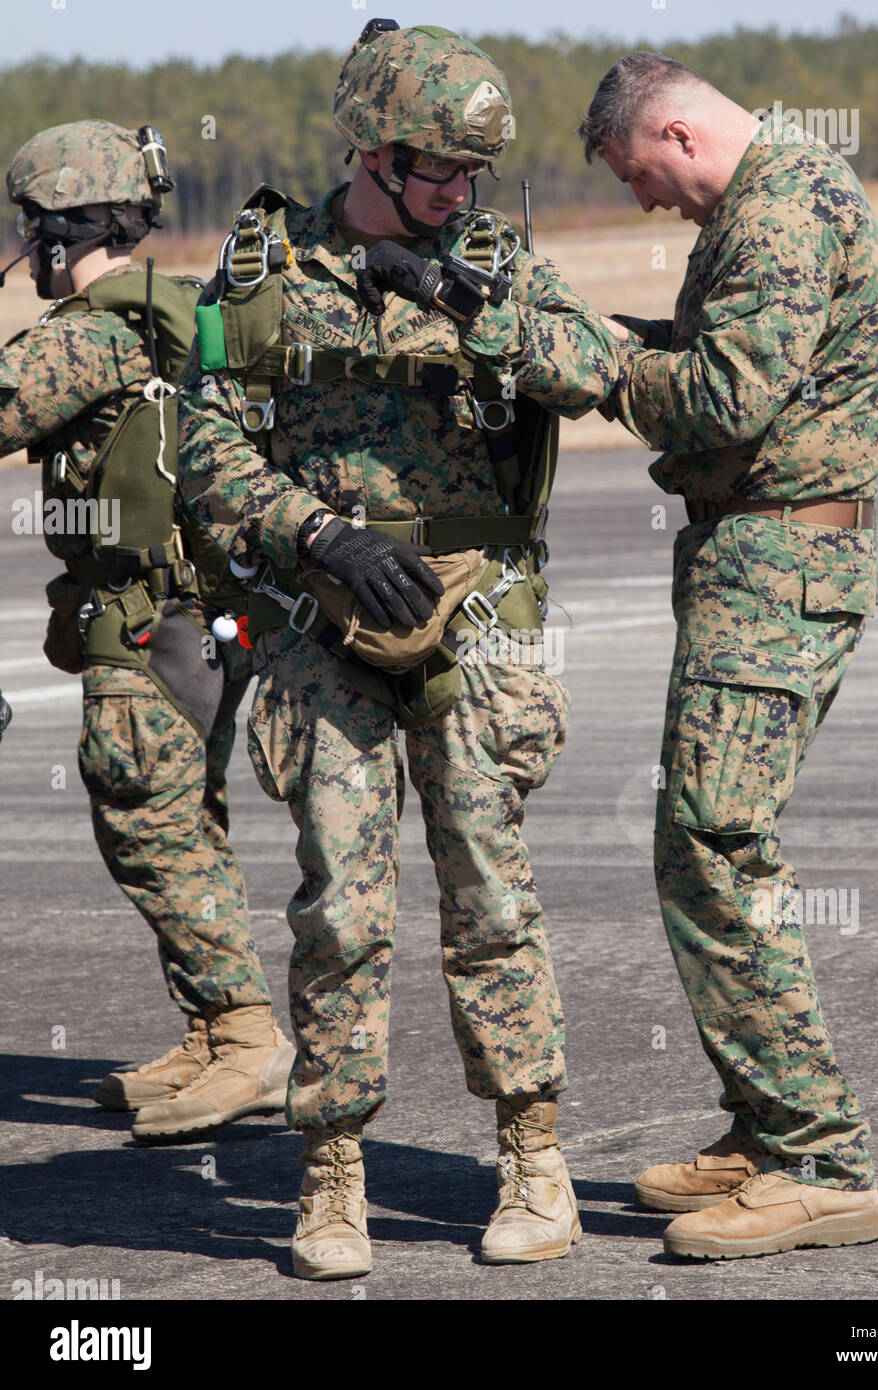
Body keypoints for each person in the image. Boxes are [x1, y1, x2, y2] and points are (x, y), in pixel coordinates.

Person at [176, 18, 618, 1279]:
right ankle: (331, 1173)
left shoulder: (492, 256)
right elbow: (204, 445)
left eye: (473, 175)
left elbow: (594, 370)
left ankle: (533, 1156)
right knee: (338, 911)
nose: (457, 195)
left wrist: (482, 314)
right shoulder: (263, 272)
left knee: (489, 894)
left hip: (473, 617)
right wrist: (311, 529)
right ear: (371, 152)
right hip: (327, 618)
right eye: (436, 172)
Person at [578, 53, 878, 1259]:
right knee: (699, 842)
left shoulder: (779, 207)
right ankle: (768, 1130)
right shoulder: (775, 200)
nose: (648, 205)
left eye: (641, 179)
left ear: (675, 130)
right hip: (757, 561)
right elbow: (722, 354)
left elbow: (722, 396)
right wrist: (619, 333)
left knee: (715, 843)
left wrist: (600, 365)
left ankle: (818, 1155)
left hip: (776, 567)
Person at [0, 120, 293, 1142]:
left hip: (150, 625)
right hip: (203, 619)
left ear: (55, 232)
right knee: (187, 822)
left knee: (149, 827)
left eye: (30, 227)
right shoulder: (167, 314)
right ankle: (215, 1032)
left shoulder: (89, 333)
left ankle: (249, 1043)